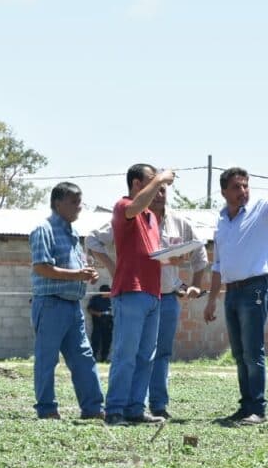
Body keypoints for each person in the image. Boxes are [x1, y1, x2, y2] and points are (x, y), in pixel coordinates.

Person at [203, 167, 268, 425]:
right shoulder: (222, 222)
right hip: (231, 292)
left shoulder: (259, 210)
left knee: (252, 350)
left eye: (245, 186)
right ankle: (245, 406)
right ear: (224, 192)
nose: (243, 191)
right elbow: (218, 265)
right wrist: (212, 299)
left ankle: (258, 408)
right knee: (239, 353)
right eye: (236, 187)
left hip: (255, 288)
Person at [102, 163, 176, 426]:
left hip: (153, 292)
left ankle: (135, 408)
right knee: (126, 354)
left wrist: (172, 258)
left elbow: (148, 253)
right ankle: (114, 410)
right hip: (131, 291)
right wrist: (162, 178)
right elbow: (135, 207)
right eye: (152, 180)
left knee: (146, 356)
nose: (159, 187)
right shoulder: (124, 206)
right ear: (136, 183)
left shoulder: (152, 218)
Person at [28, 182, 105, 420]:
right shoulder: (44, 229)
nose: (79, 207)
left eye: (80, 202)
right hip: (50, 303)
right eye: (74, 202)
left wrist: (87, 274)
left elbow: (75, 268)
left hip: (73, 305)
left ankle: (93, 409)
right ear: (57, 203)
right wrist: (77, 275)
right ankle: (47, 409)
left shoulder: (72, 233)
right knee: (47, 359)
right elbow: (42, 267)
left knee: (83, 357)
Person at [147, 187, 207, 419]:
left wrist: (195, 285)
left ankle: (158, 404)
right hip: (139, 298)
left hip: (168, 298)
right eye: (154, 190)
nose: (159, 195)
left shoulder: (179, 223)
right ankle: (134, 404)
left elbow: (200, 254)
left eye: (162, 190)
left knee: (162, 353)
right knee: (140, 353)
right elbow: (94, 240)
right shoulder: (135, 220)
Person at [86, 284, 113, 362]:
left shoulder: (111, 299)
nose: (109, 293)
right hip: (98, 323)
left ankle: (104, 359)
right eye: (107, 292)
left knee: (107, 341)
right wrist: (98, 313)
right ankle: (93, 358)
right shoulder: (95, 299)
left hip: (108, 324)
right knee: (96, 341)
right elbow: (89, 309)